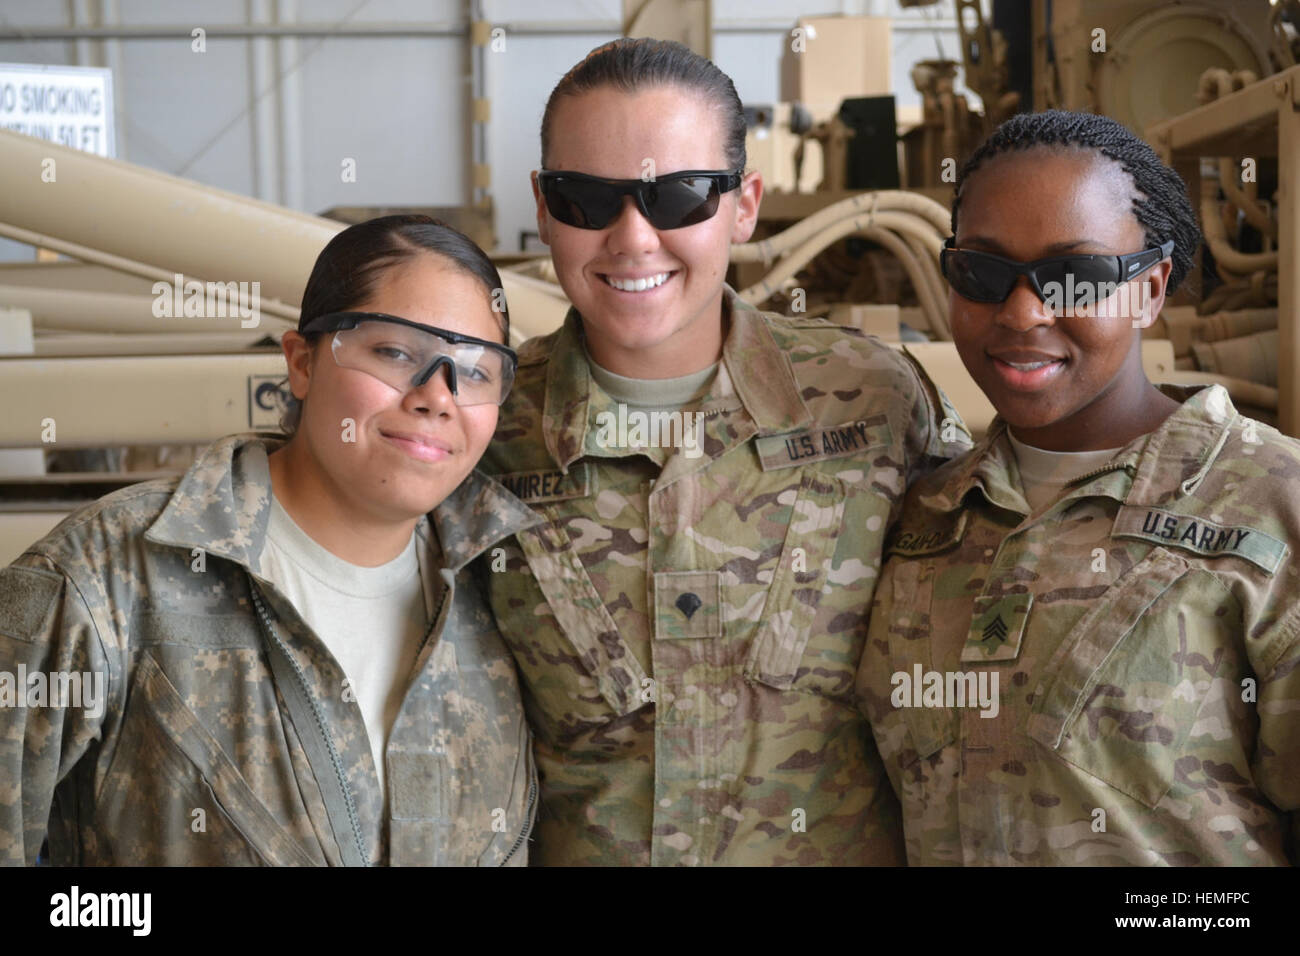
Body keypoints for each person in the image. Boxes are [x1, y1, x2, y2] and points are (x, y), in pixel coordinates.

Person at [477, 38, 971, 866]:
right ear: (542, 203)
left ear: (743, 205)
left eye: (677, 198)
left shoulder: (876, 402)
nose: (632, 238)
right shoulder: (478, 428)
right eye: (587, 199)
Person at [0, 215, 540, 866]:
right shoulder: (100, 582)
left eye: (477, 371)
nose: (439, 396)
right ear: (302, 362)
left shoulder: (511, 589)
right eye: (395, 352)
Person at [858, 109, 1300, 865]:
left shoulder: (1270, 507)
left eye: (1074, 277)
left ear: (1151, 289)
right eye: (984, 273)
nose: (1024, 313)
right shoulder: (918, 520)